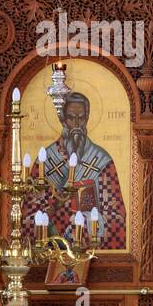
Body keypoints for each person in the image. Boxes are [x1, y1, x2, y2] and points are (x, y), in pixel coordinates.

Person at [22, 91, 128, 249]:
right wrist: (52, 210)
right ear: (63, 120)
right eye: (72, 118)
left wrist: (85, 224)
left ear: (87, 118)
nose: (77, 125)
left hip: (89, 249)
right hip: (51, 250)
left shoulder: (101, 160)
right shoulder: (45, 161)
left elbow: (118, 217)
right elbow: (26, 218)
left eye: (82, 118)